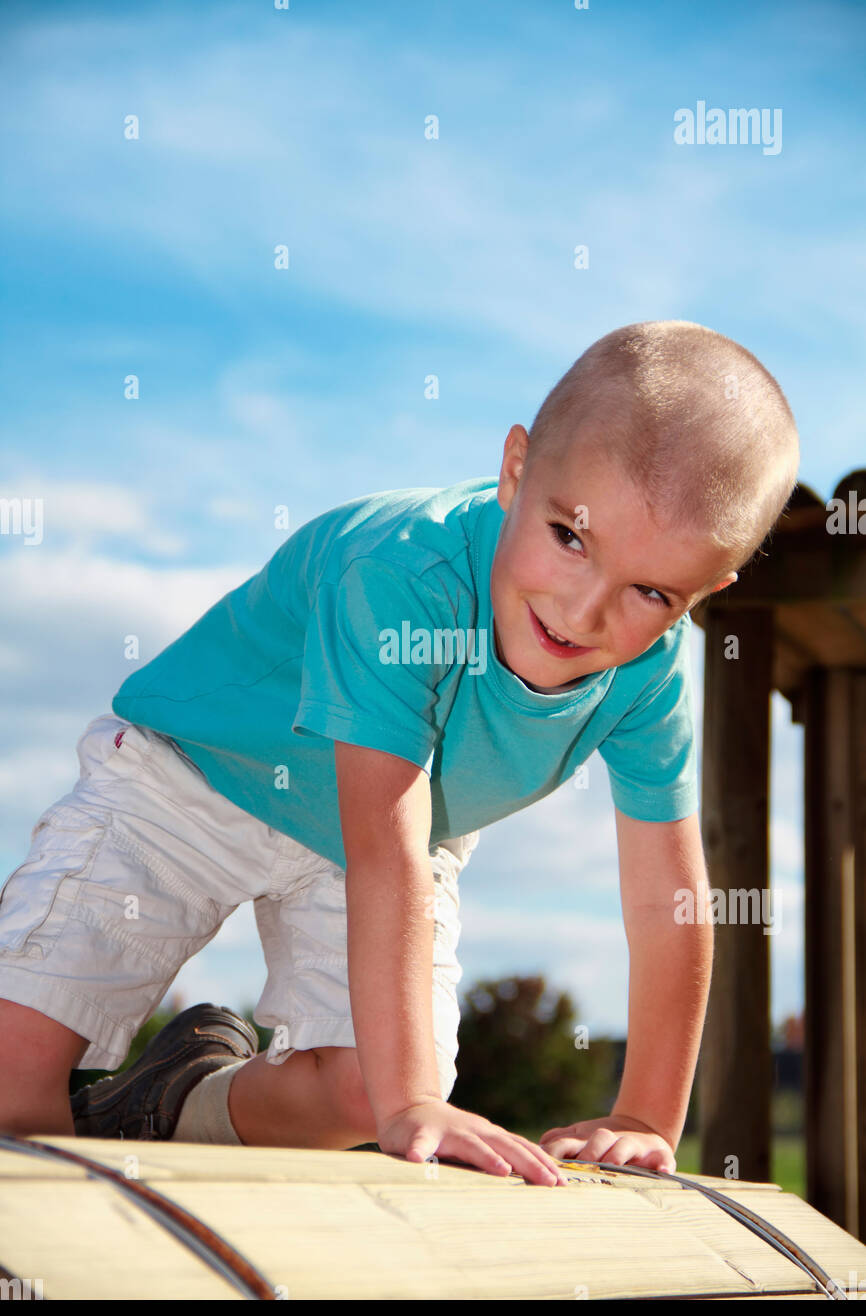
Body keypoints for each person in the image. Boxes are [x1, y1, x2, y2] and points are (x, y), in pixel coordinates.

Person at [0, 320, 799, 1188]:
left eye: (650, 592)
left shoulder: (650, 676)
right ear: (517, 470)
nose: (585, 611)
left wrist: (646, 1115)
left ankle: (171, 1104)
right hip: (193, 780)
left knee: (357, 1093)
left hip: (394, 842)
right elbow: (387, 844)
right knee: (16, 1059)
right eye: (571, 536)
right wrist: (413, 1101)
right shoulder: (401, 576)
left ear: (706, 593)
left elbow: (668, 899)